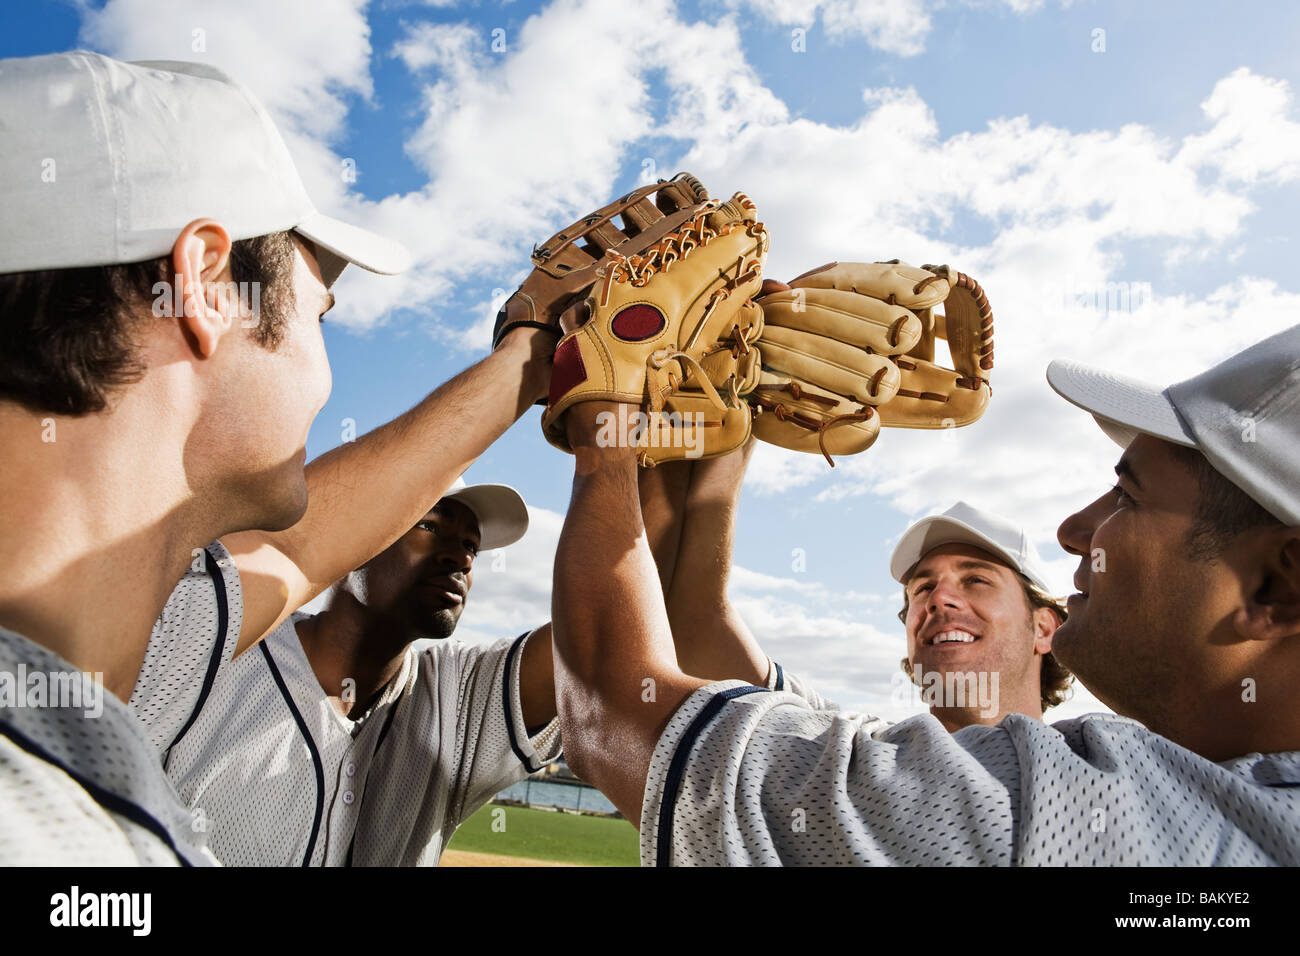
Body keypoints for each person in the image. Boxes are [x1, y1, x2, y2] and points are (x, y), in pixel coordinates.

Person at [0, 53, 550, 864]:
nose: (323, 371)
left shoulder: (85, 649)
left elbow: (299, 549)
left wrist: (531, 359)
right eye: (322, 316)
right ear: (208, 285)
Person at [548, 323, 1300, 865]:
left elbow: (613, 711)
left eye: (1128, 498)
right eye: (920, 587)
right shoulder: (1241, 798)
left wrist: (604, 404)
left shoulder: (1051, 805)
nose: (1078, 529)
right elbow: (696, 628)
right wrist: (731, 424)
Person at [163, 481, 559, 866]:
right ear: (351, 543)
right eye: (429, 525)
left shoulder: (458, 696)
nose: (461, 558)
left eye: (470, 544)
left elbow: (592, 638)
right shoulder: (216, 650)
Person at [890, 502, 1072, 730]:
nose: (938, 597)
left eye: (976, 580)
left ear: (1044, 629)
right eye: (924, 588)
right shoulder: (854, 757)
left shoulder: (1104, 758)